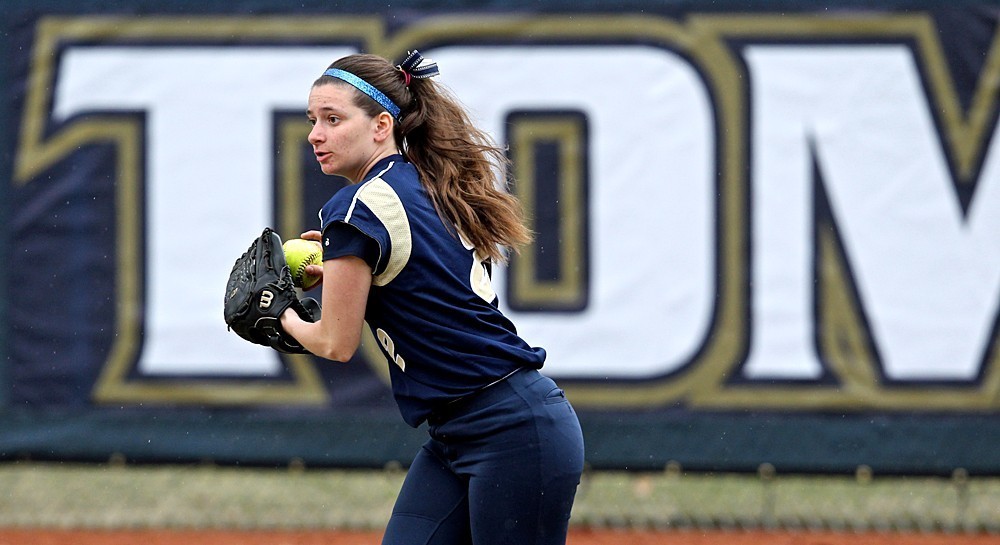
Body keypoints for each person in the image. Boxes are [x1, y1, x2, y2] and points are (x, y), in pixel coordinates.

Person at [279, 50, 586, 545]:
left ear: (382, 124)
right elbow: (415, 277)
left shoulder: (356, 208)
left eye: (333, 119)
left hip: (512, 431)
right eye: (314, 120)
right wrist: (339, 267)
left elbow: (335, 343)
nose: (316, 134)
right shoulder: (427, 184)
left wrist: (281, 316)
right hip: (460, 434)